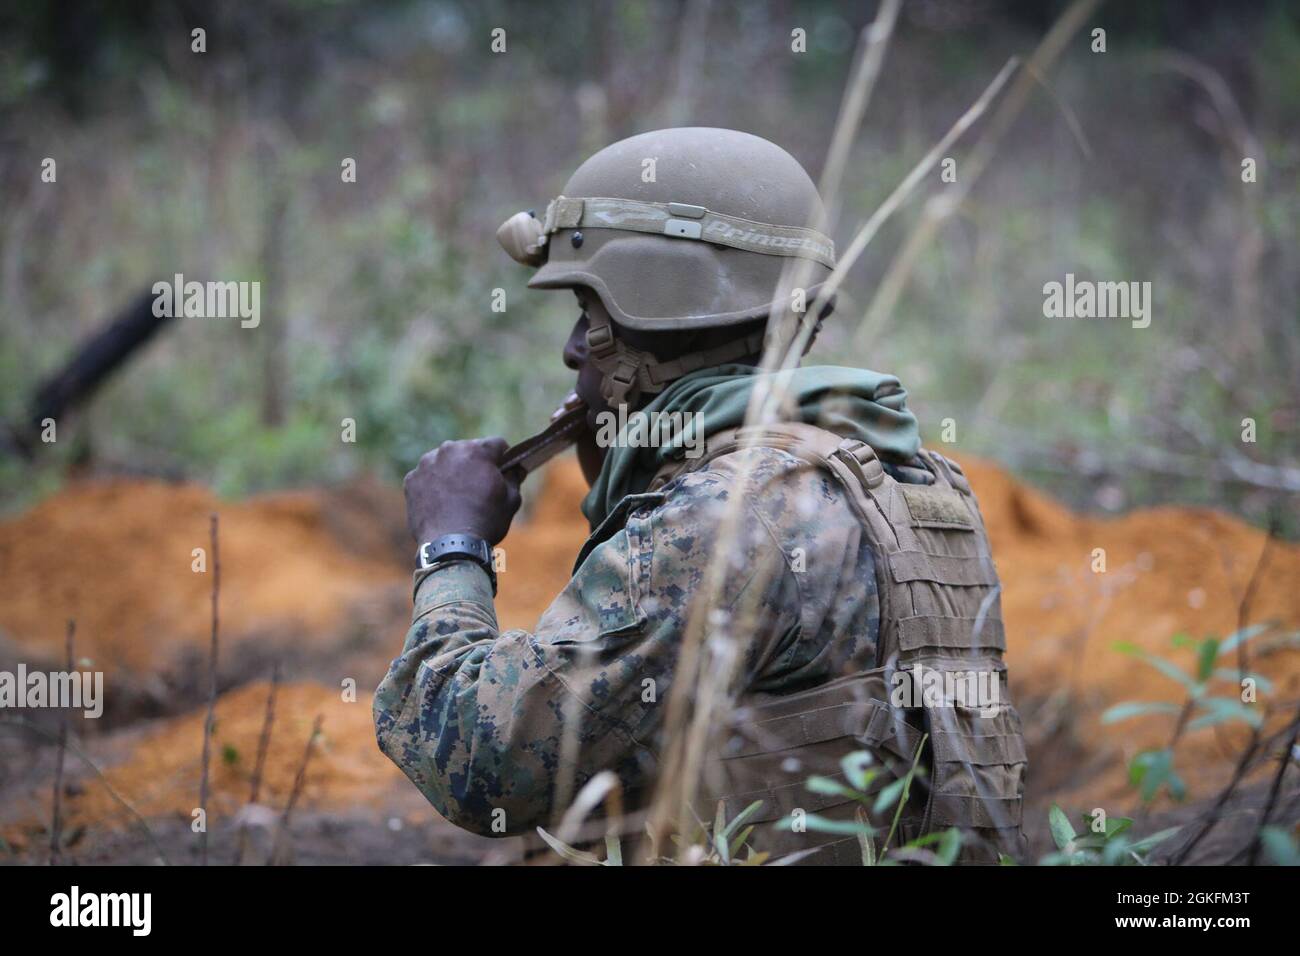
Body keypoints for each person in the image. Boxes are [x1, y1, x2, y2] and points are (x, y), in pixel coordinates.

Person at [375, 127, 1026, 864]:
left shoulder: (723, 516)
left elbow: (479, 764)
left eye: (588, 314)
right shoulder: (919, 483)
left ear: (653, 322)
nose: (571, 349)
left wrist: (452, 547)